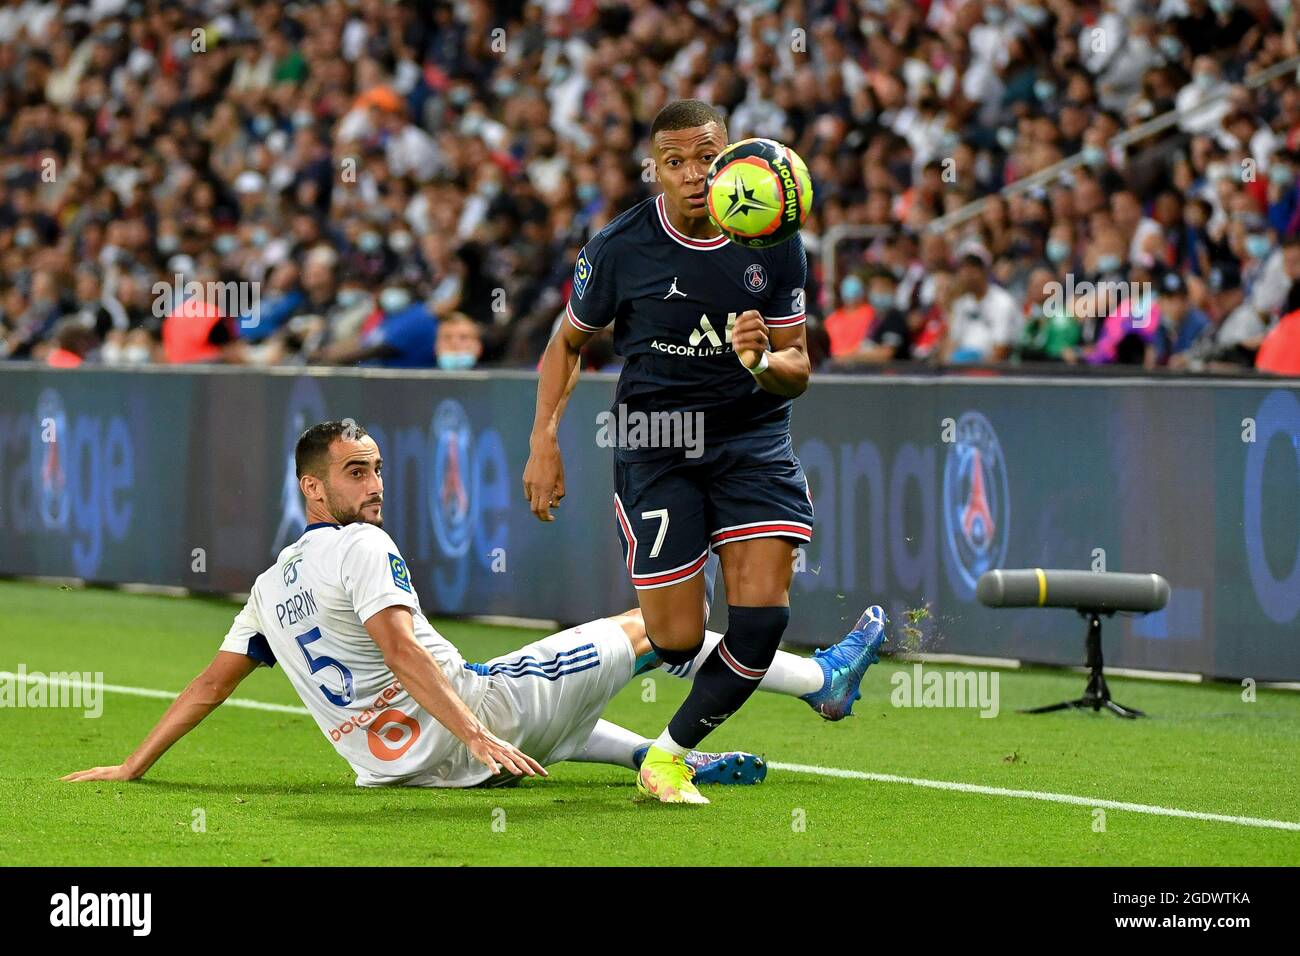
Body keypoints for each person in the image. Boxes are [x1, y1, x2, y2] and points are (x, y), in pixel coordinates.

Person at [64, 422, 886, 792]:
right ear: (313, 488)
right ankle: (821, 681)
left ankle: (650, 755)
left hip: (397, 773)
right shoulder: (360, 547)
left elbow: (210, 687)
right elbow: (401, 651)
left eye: (378, 467)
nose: (376, 483)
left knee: (549, 705)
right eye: (357, 472)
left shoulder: (268, 588)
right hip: (470, 722)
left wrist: (133, 767)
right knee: (652, 628)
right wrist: (474, 729)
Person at [523, 99, 880, 805]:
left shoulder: (773, 237)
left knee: (761, 619)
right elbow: (567, 344)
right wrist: (544, 439)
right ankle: (822, 680)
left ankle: (668, 757)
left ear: (731, 156)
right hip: (657, 445)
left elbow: (798, 365)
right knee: (678, 639)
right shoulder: (620, 247)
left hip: (751, 438)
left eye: (706, 157)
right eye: (674, 161)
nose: (692, 174)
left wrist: (759, 365)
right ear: (654, 169)